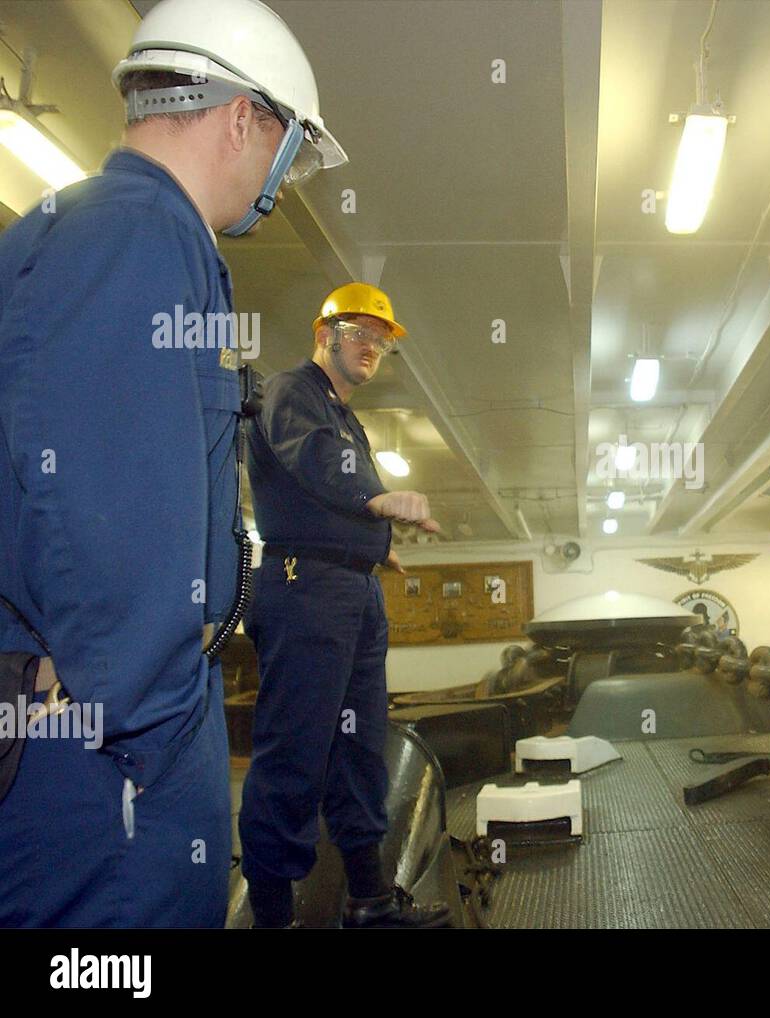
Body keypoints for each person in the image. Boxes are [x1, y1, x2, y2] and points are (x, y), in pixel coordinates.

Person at [0, 0, 344, 927]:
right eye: (291, 151)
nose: (283, 182)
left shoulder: (84, 229)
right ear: (243, 119)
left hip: (91, 732)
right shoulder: (139, 238)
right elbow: (109, 521)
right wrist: (146, 734)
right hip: (113, 766)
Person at [238, 283, 450, 928]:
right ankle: (272, 920)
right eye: (361, 332)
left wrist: (373, 546)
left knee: (358, 750)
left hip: (349, 588)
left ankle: (371, 904)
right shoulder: (290, 391)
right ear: (323, 333)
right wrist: (378, 502)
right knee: (295, 751)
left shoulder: (346, 413)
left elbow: (329, 489)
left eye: (382, 340)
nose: (373, 348)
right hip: (306, 589)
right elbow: (318, 462)